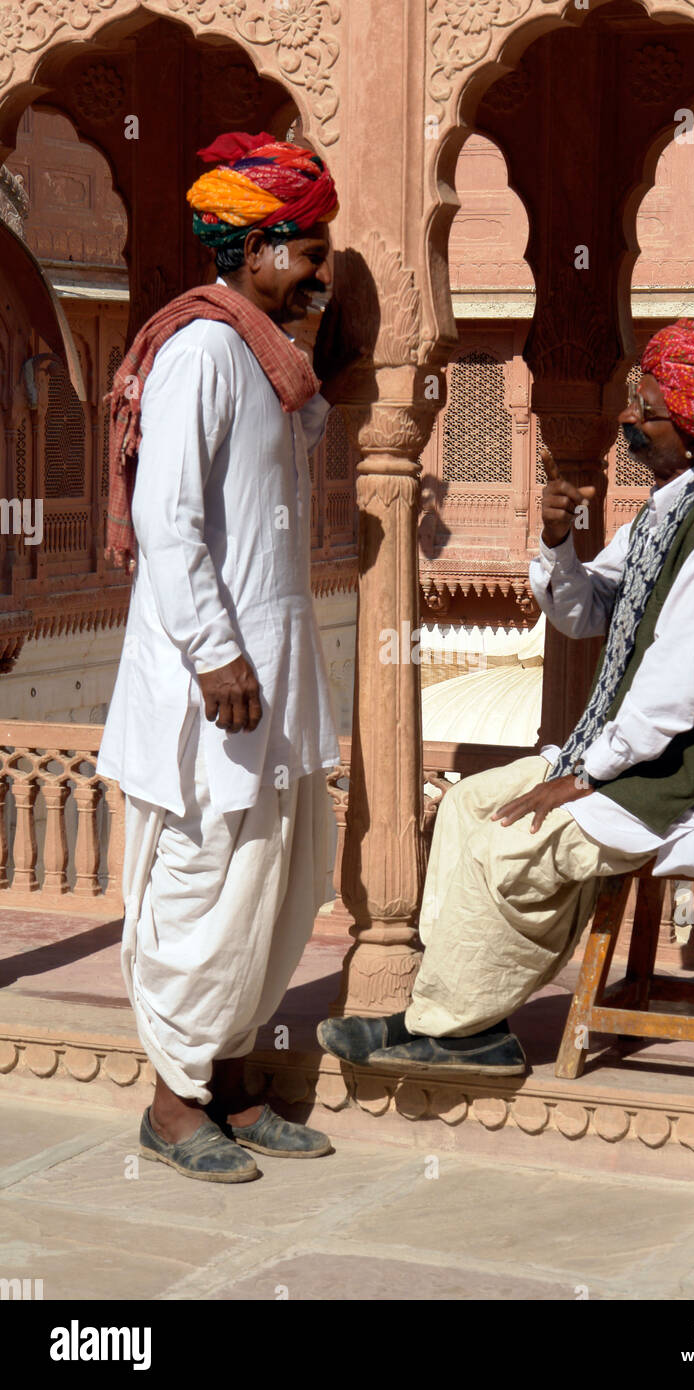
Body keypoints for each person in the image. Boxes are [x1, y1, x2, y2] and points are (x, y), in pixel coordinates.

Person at [318, 308, 694, 1079]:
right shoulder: (662, 517)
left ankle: (455, 1028)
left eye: (649, 410)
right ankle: (455, 1017)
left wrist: (582, 777)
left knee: (519, 844)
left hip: (687, 780)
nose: (630, 418)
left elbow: (673, 690)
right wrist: (556, 540)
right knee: (468, 808)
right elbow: (581, 614)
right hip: (624, 758)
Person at [98, 131, 356, 1181]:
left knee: (275, 876)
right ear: (255, 249)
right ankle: (171, 1104)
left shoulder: (267, 364)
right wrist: (213, 654)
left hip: (275, 664)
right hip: (215, 677)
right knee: (208, 878)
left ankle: (236, 1088)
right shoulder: (201, 351)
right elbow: (166, 518)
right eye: (307, 253)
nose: (321, 272)